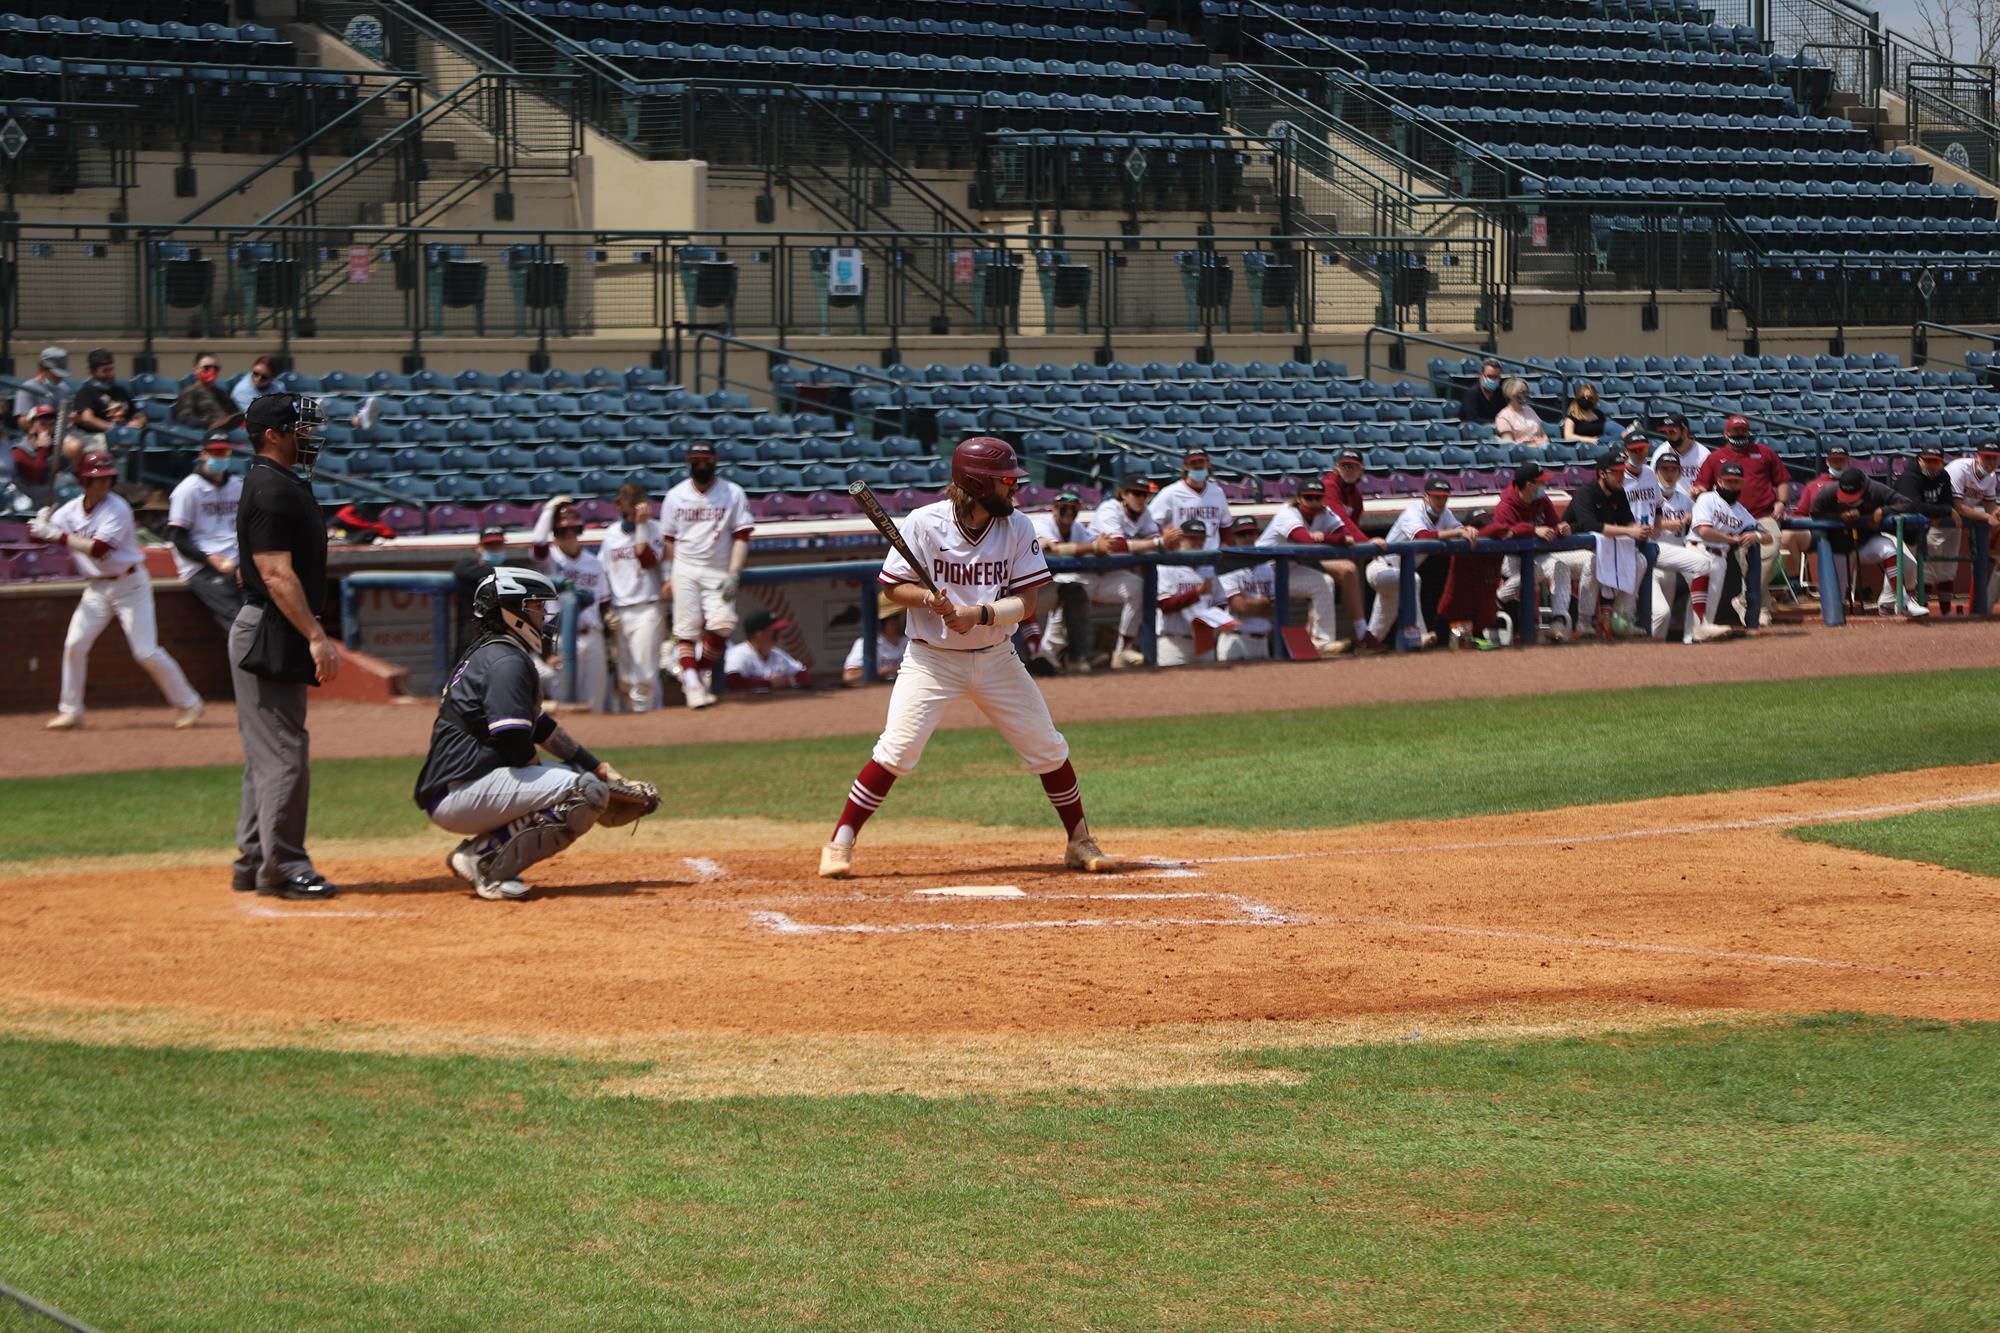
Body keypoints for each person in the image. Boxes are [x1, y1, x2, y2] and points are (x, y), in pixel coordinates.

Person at [820, 436, 1114, 879]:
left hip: (998, 657)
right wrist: (927, 599)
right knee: (897, 751)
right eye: (1007, 482)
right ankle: (840, 842)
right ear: (977, 484)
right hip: (931, 660)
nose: (1015, 490)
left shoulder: (1018, 528)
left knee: (1048, 748)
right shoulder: (924, 522)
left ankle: (1079, 840)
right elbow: (892, 587)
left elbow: (1028, 602)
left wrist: (977, 613)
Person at [413, 567, 618, 901]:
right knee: (584, 793)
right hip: (460, 789)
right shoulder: (506, 661)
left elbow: (538, 727)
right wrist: (576, 782)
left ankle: (483, 852)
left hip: (461, 785)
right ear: (512, 612)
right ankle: (485, 860)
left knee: (584, 783)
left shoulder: (495, 652)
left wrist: (593, 766)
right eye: (536, 607)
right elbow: (514, 741)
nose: (543, 616)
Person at [230, 392, 340, 900]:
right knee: (284, 752)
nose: (308, 437)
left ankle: (254, 855)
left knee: (269, 752)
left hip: (267, 624)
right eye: (299, 428)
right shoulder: (271, 488)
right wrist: (316, 636)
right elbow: (275, 574)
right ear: (272, 435)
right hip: (273, 627)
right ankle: (283, 865)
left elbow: (248, 567)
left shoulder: (273, 483)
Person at [30, 449, 204, 732]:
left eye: (107, 478)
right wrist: (41, 522)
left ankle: (189, 702)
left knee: (146, 652)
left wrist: (55, 534)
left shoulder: (117, 507)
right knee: (75, 645)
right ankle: (71, 711)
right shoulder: (71, 509)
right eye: (96, 479)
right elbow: (38, 538)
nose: (103, 484)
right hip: (97, 589)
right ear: (83, 481)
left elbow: (99, 550)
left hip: (130, 585)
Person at [662, 440, 753, 710]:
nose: (701, 465)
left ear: (715, 462)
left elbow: (742, 535)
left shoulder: (732, 492)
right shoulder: (675, 495)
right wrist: (670, 573)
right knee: (686, 628)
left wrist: (734, 572)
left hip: (718, 567)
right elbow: (669, 539)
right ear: (689, 463)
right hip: (685, 566)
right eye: (696, 461)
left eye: (706, 461)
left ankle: (699, 672)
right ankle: (691, 681)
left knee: (723, 623)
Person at [1255, 474, 1369, 654]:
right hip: (1262, 573)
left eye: (1318, 497)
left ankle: (1322, 642)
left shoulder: (1325, 513)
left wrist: (1325, 536)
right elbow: (1305, 540)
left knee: (1324, 583)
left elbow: (1346, 535)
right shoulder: (1288, 513)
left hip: (1289, 569)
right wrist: (1334, 539)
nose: (1313, 502)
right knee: (1256, 627)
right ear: (1299, 498)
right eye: (1308, 497)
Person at [1366, 475, 1478, 650]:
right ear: (1426, 497)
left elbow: (1457, 528)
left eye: (1444, 497)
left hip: (1397, 574)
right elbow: (1422, 536)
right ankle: (1420, 634)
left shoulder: (1445, 513)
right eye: (1436, 497)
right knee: (1413, 580)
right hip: (1381, 568)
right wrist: (1455, 533)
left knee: (1382, 619)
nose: (1440, 501)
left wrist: (1466, 529)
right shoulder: (1413, 512)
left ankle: (1367, 644)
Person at [1694, 416, 1789, 617]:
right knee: (1746, 561)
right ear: (1726, 434)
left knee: (1772, 548)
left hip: (1762, 515)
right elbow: (1702, 484)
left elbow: (1781, 480)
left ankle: (1744, 599)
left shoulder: (1763, 453)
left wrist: (1781, 501)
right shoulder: (1715, 457)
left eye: (1742, 431)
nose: (1739, 434)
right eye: (1735, 431)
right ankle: (1760, 608)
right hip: (1731, 518)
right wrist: (1699, 491)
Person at [529, 498, 610, 712]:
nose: (568, 535)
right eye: (562, 531)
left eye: (572, 530)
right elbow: (538, 541)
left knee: (595, 702)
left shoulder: (594, 563)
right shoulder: (550, 559)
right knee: (564, 702)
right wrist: (548, 510)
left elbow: (604, 605)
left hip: (591, 636)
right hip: (561, 638)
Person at [1492, 460, 1585, 641]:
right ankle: (1497, 599)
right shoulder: (1505, 506)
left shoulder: (1541, 500)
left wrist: (1561, 529)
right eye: (1541, 481)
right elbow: (1503, 532)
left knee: (1560, 567)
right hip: (1511, 559)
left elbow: (1553, 524)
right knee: (1530, 571)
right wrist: (1533, 530)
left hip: (1536, 556)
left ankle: (1557, 622)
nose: (1545, 484)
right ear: (1529, 484)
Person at [1562, 451, 1653, 637]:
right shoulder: (1585, 493)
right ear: (1603, 474)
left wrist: (1639, 528)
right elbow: (1591, 525)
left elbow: (1628, 520)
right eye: (1617, 472)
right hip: (1573, 550)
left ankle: (1622, 619)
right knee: (1593, 562)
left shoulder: (1619, 493)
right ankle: (1584, 623)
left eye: (1623, 471)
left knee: (1640, 560)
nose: (1622, 476)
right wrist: (1629, 531)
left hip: (1605, 549)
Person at [1820, 465, 1931, 617]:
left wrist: (1882, 511)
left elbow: (1908, 504)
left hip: (1867, 542)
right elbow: (1814, 512)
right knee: (1837, 598)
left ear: (1864, 488)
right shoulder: (1830, 491)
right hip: (1840, 547)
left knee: (1889, 549)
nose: (1850, 500)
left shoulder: (1875, 489)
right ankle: (1834, 617)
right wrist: (1838, 517)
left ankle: (1904, 601)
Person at [1089, 471, 1172, 668]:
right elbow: (1117, 546)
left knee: (1138, 588)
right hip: (1085, 573)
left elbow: (1155, 543)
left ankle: (1122, 650)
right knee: (1060, 618)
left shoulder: (1145, 513)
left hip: (1113, 576)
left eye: (1145, 494)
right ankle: (1048, 655)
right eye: (1136, 493)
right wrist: (1157, 542)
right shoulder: (1109, 508)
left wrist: (1157, 542)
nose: (1141, 498)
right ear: (1123, 494)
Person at [165, 435, 246, 633]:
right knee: (237, 619)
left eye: (224, 452)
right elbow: (177, 536)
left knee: (258, 615)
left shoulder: (238, 486)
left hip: (236, 562)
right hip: (201, 566)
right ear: (204, 454)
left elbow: (248, 529)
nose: (220, 457)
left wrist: (245, 563)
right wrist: (209, 559)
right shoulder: (188, 489)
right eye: (215, 452)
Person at [599, 481, 666, 712]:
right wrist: (606, 609)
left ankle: (644, 718)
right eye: (622, 510)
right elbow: (603, 573)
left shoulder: (655, 529)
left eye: (630, 509)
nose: (625, 514)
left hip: (647, 606)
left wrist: (641, 527)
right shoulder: (611, 534)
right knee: (626, 674)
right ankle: (641, 722)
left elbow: (646, 559)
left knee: (644, 671)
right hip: (620, 608)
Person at [1688, 459, 1770, 641]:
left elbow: (1768, 537)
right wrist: (1731, 539)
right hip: (1697, 551)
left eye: (1736, 481)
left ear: (1742, 483)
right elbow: (1704, 531)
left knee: (1707, 618)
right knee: (1698, 610)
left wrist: (1755, 536)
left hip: (1720, 558)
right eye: (1728, 481)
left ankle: (1696, 649)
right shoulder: (1707, 498)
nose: (1732, 485)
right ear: (1719, 481)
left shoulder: (1741, 512)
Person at [1633, 448, 1710, 641]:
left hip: (1675, 561)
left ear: (1680, 473)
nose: (1669, 474)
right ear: (1656, 471)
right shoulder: (1647, 495)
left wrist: (1694, 516)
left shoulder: (1685, 499)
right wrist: (1665, 524)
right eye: (1665, 469)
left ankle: (1692, 637)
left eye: (1674, 469)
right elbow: (1637, 524)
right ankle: (1645, 654)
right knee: (1661, 614)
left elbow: (1705, 521)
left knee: (1705, 574)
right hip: (1652, 561)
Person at [1030, 490, 1097, 674]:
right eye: (1064, 508)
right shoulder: (1042, 523)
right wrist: (1093, 547)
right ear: (1054, 510)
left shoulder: (1077, 528)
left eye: (1073, 509)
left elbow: (1095, 543)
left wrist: (1098, 545)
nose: (1069, 512)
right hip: (1022, 592)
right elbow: (1052, 548)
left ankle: (1075, 657)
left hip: (1045, 589)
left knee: (1076, 593)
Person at [1942, 443, 2000, 610]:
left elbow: (1990, 505)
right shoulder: (1960, 469)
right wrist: (1987, 517)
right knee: (1929, 567)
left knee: (1948, 567)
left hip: (1962, 521)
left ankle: (1976, 608)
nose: (1990, 462)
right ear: (1976, 456)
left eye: (1994, 458)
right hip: (1941, 516)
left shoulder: (1990, 477)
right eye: (1986, 457)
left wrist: (1996, 513)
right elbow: (1958, 506)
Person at [1154, 518, 1215, 666]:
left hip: (1205, 640)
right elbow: (1164, 605)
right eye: (1192, 538)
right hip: (1175, 643)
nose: (1197, 543)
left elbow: (1220, 602)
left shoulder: (1209, 568)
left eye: (1201, 539)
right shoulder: (1166, 566)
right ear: (1180, 539)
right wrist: (1195, 594)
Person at [1216, 514, 1276, 661]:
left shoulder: (1267, 568)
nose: (1247, 537)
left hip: (1262, 641)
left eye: (1251, 533)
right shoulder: (1227, 568)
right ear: (1234, 537)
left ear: (1258, 535)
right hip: (1236, 640)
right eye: (1242, 534)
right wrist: (1262, 603)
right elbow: (1240, 607)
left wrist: (1254, 606)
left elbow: (1274, 610)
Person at [453, 525, 521, 651]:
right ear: (479, 547)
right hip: (473, 632)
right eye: (490, 546)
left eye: (498, 544)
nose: (495, 549)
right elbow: (462, 571)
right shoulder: (467, 564)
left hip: (507, 631)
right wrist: (500, 572)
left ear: (504, 545)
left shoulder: (515, 567)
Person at [1148, 448, 1230, 551]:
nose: (1198, 465)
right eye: (1193, 462)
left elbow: (1225, 525)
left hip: (1211, 555)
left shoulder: (1218, 492)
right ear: (1186, 466)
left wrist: (1224, 548)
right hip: (1180, 556)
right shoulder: (1170, 492)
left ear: (1208, 464)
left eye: (1201, 461)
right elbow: (1151, 522)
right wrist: (1164, 541)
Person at [68, 347, 146, 452]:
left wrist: (137, 422)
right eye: (105, 371)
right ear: (92, 371)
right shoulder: (86, 392)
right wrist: (113, 429)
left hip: (126, 435)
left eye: (111, 369)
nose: (110, 374)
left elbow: (139, 416)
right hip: (100, 437)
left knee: (148, 437)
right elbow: (87, 418)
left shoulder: (121, 390)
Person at [724, 608, 809, 692]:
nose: (779, 634)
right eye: (775, 631)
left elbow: (803, 675)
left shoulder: (777, 654)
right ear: (759, 634)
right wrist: (769, 683)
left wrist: (791, 680)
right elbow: (732, 681)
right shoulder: (738, 654)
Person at [843, 594, 907, 684]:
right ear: (892, 621)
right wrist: (886, 672)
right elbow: (849, 676)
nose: (908, 619)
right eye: (904, 616)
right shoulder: (866, 643)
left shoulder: (911, 642)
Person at [173, 352, 239, 431]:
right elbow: (185, 418)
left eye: (216, 369)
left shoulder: (221, 392)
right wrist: (210, 424)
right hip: (207, 434)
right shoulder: (189, 392)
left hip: (230, 431)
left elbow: (235, 414)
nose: (212, 371)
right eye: (207, 368)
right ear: (196, 370)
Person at [9, 404, 60, 504]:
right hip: (31, 500)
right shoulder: (19, 451)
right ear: (31, 425)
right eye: (43, 424)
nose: (47, 429)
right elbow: (35, 478)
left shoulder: (55, 447)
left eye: (51, 424)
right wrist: (43, 449)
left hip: (54, 494)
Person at [13, 346, 71, 429]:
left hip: (64, 434)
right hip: (38, 436)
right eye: (55, 374)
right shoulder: (27, 389)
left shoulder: (64, 389)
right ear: (42, 369)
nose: (59, 378)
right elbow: (22, 422)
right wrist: (39, 415)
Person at [1648, 413, 1707, 481]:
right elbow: (1652, 480)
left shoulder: (1703, 454)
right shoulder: (1661, 452)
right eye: (1666, 432)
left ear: (1684, 431)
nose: (1668, 436)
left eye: (1672, 432)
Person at [1494, 378, 1549, 446]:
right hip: (1523, 451)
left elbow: (1543, 435)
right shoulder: (1503, 417)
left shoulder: (1529, 410)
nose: (1526, 395)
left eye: (1527, 392)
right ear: (1512, 394)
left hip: (1541, 447)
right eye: (1522, 392)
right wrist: (1533, 446)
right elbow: (1509, 444)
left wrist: (1540, 443)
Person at [1324, 448, 1367, 529]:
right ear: (1337, 467)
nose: (1350, 471)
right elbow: (1341, 520)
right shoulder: (1328, 486)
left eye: (1355, 467)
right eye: (1345, 466)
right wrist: (1366, 541)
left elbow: (1354, 525)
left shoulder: (1356, 495)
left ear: (1361, 470)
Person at [1458, 358, 1507, 425]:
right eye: (1489, 376)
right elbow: (1472, 419)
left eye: (1496, 377)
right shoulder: (1472, 393)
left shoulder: (1500, 393)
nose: (1493, 380)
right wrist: (1496, 422)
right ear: (1481, 375)